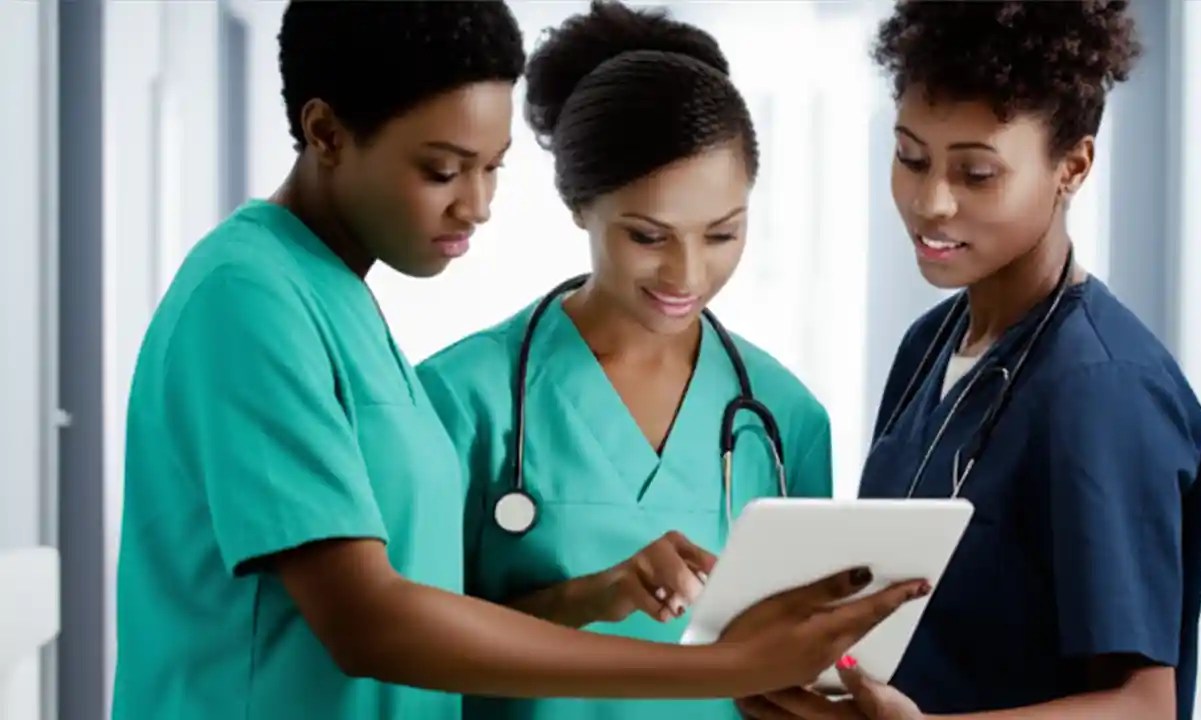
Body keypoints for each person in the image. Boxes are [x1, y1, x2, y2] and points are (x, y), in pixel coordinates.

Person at [109, 3, 931, 720]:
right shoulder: (250, 296)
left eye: (494, 166)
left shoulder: (340, 306)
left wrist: (597, 596)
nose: (480, 205)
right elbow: (369, 620)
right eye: (442, 170)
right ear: (326, 133)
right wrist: (717, 669)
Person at [735, 2, 1201, 720]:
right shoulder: (929, 345)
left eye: (978, 173)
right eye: (910, 157)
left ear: (1073, 167)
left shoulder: (1101, 390)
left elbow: (1142, 706)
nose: (930, 202)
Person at [412, 2, 838, 719]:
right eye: (648, 236)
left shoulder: (786, 420)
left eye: (723, 234)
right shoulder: (461, 401)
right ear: (581, 205)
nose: (687, 275)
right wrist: (592, 597)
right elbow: (407, 656)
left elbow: (803, 669)